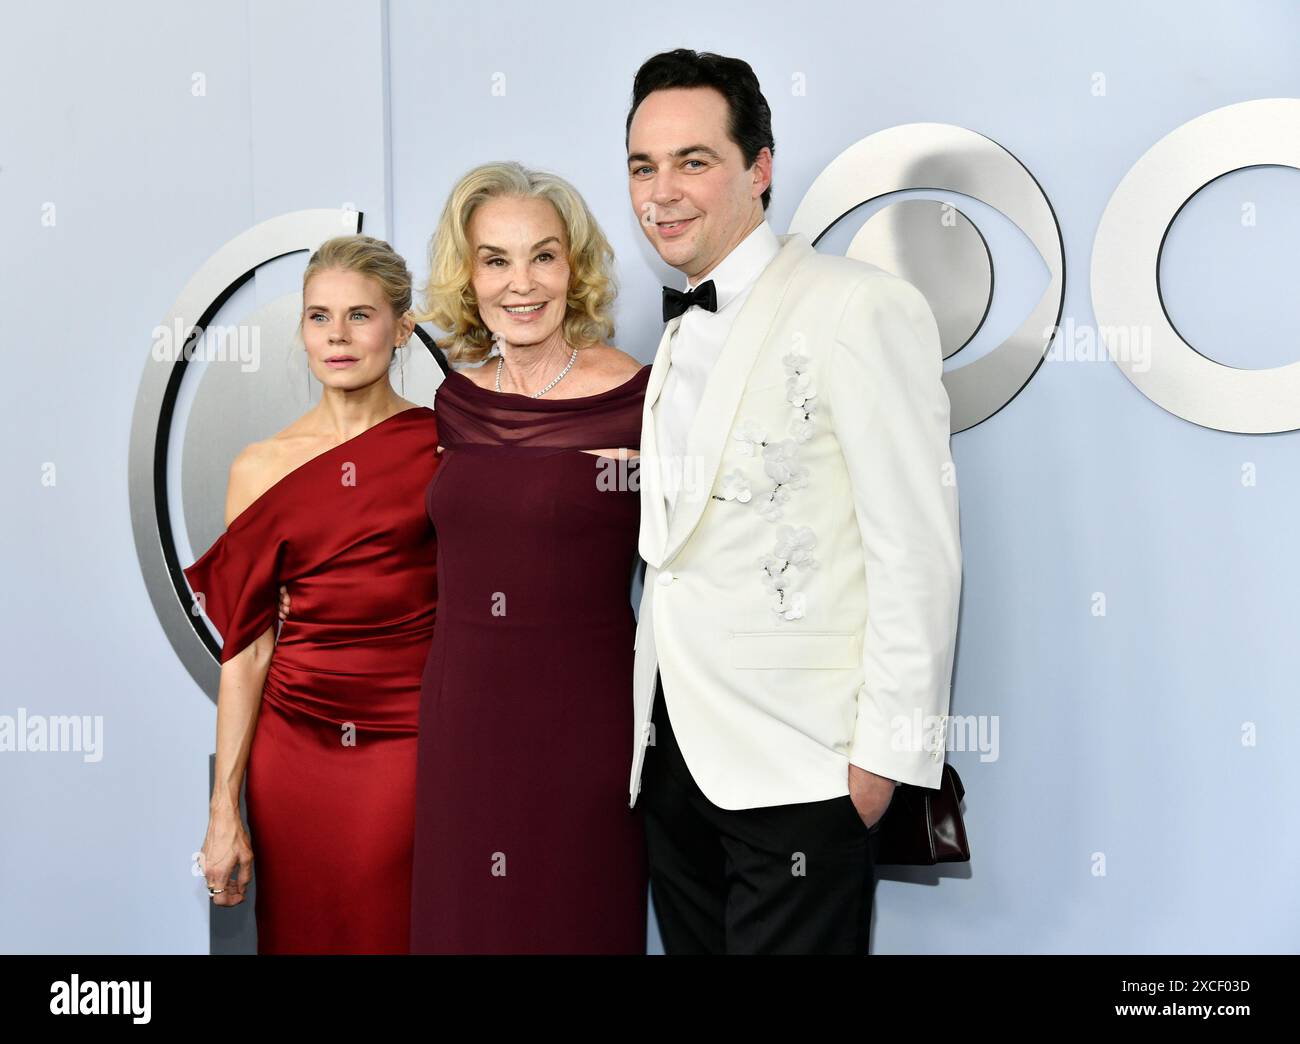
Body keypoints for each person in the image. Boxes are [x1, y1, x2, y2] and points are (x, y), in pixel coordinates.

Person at [624, 50, 963, 954]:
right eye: (643, 166)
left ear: (759, 168)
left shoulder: (858, 308)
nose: (663, 191)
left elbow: (917, 550)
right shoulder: (673, 331)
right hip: (671, 765)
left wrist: (880, 766)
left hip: (805, 772)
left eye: (693, 161)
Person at [406, 161, 650, 953]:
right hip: (463, 722)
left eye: (543, 255)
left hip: (586, 725)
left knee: (570, 917)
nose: (522, 283)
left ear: (573, 266)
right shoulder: (453, 401)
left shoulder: (643, 399)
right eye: (496, 259)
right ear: (467, 274)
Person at [185, 234, 440, 954]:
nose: (337, 335)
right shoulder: (259, 468)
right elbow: (247, 646)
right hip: (292, 749)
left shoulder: (446, 448)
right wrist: (223, 810)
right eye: (318, 316)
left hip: (409, 739)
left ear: (402, 327)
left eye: (361, 315)